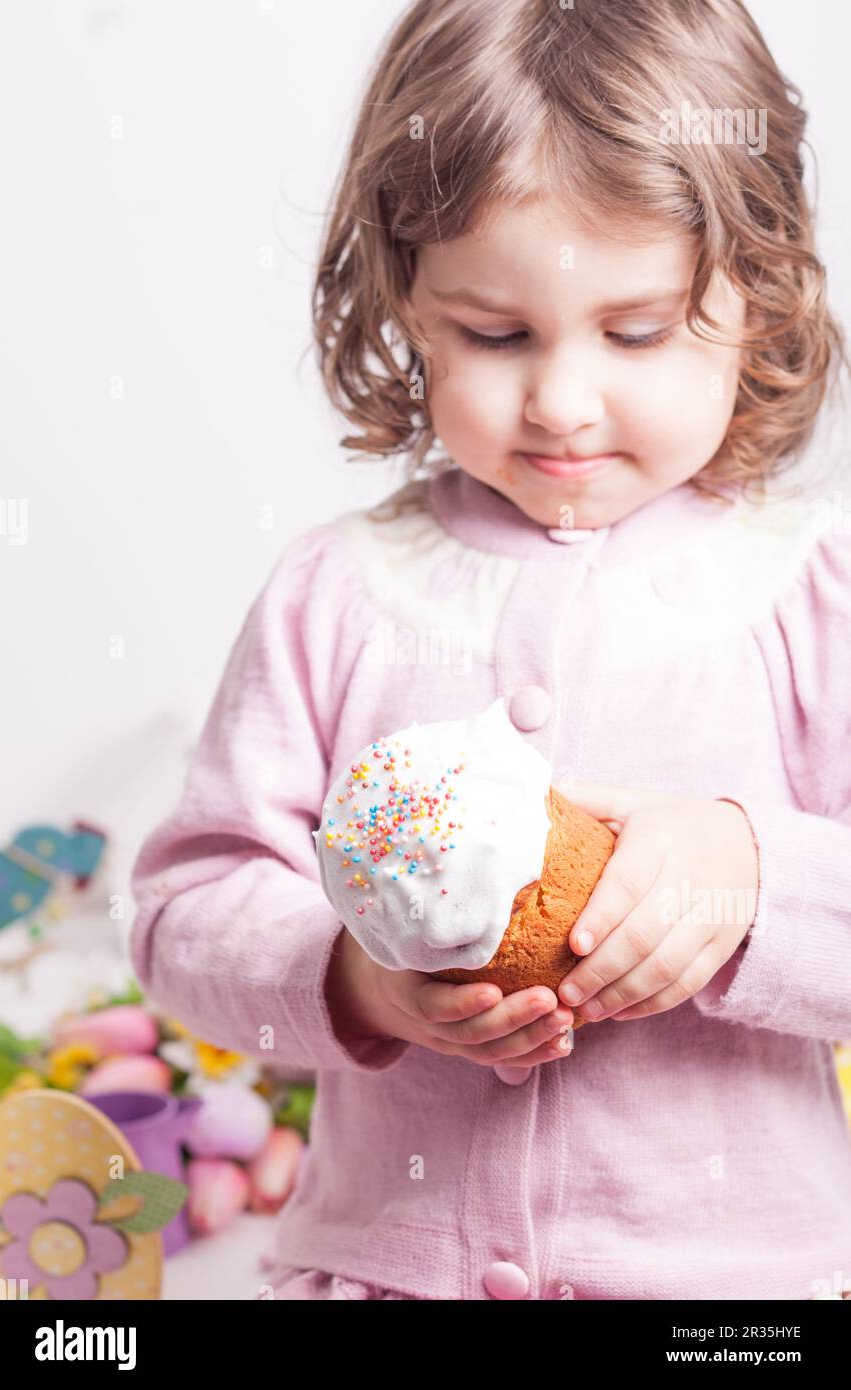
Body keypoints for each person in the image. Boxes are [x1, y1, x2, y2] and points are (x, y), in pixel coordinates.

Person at [130, 0, 851, 1300]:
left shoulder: (808, 592)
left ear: (758, 285)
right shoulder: (337, 594)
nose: (561, 400)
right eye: (494, 334)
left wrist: (750, 875)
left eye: (635, 330)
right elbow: (186, 911)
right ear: (404, 302)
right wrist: (349, 976)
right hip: (387, 1270)